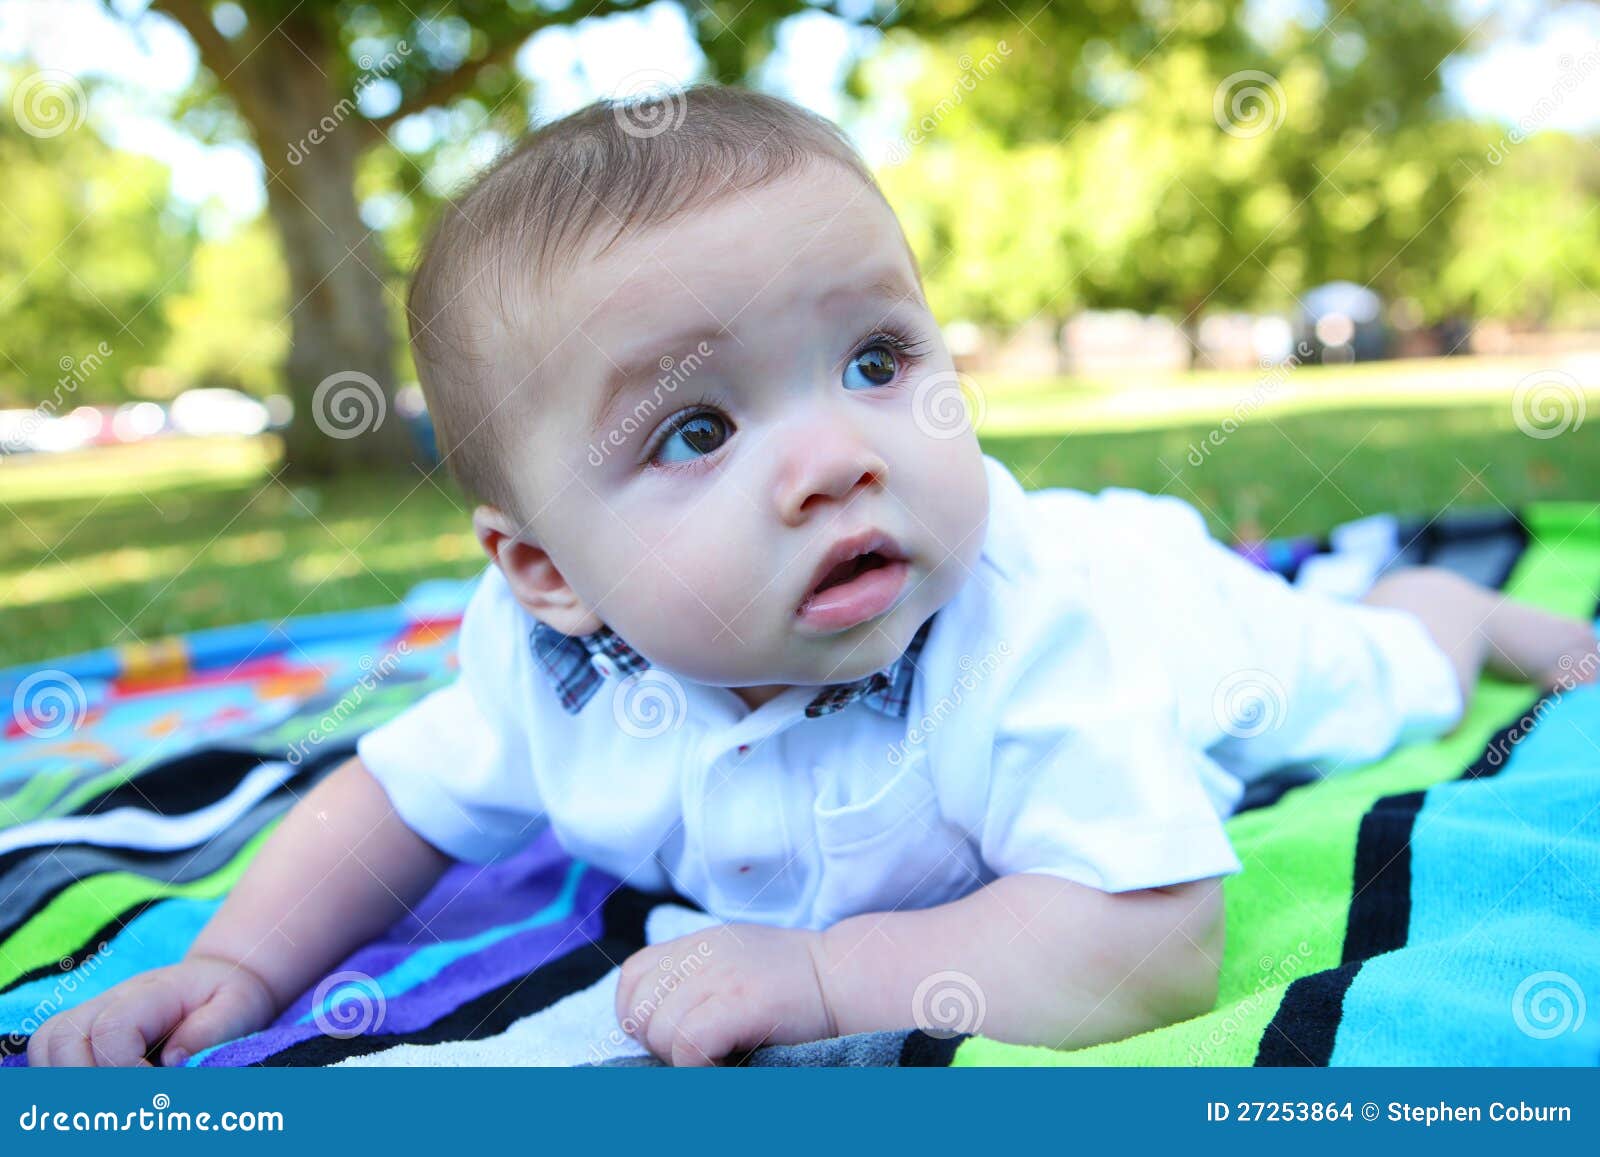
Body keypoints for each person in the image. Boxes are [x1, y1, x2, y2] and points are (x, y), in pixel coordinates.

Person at [29, 86, 1597, 1068]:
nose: (838, 454)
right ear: (544, 571)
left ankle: (1460, 606)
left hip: (1182, 617)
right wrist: (236, 959)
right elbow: (391, 810)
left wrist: (828, 971)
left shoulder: (1028, 636)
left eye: (874, 358)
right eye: (699, 427)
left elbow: (1154, 931)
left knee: (1380, 673)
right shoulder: (543, 668)